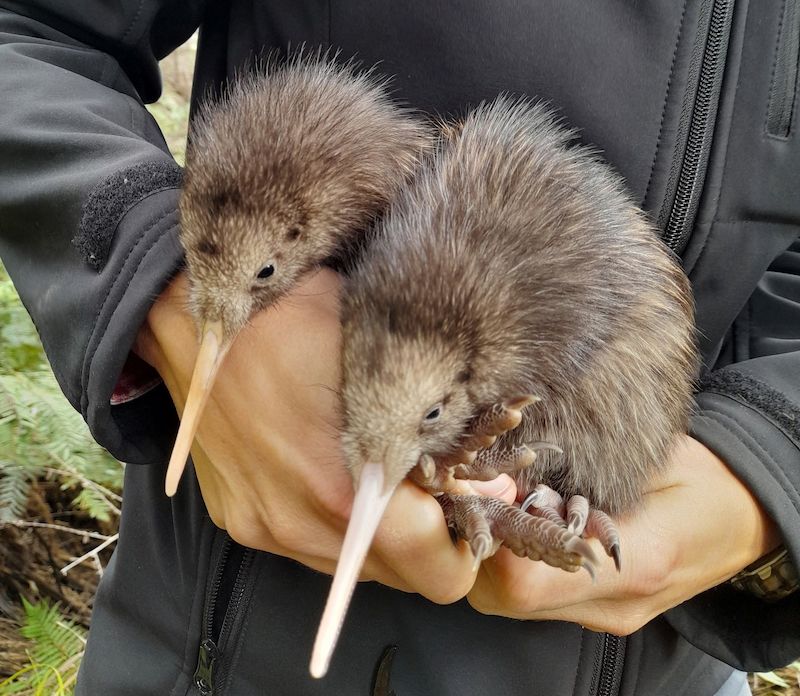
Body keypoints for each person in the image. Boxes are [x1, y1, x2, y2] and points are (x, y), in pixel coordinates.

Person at [0, 1, 798, 694]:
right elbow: (27, 28)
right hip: (221, 651)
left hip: (656, 637)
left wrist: (764, 470)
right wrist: (156, 276)